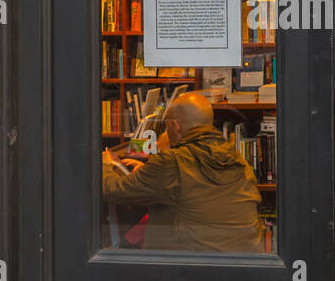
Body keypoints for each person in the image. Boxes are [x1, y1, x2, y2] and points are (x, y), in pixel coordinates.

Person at [102, 92, 264, 252]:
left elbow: (113, 190)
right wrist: (148, 170)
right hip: (245, 262)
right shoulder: (236, 157)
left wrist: (106, 164)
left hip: (192, 267)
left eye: (166, 125)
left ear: (176, 126)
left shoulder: (171, 162)